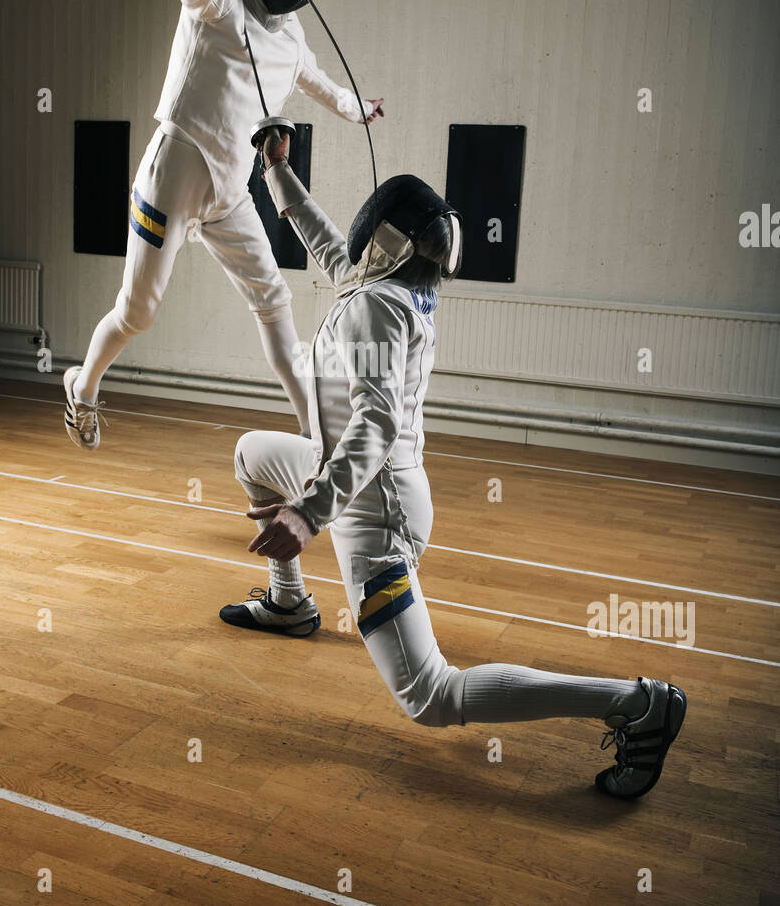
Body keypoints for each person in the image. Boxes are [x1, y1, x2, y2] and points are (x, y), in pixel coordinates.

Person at [218, 128, 687, 800]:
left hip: (373, 516)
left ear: (382, 238)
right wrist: (277, 174)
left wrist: (308, 514)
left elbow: (375, 422)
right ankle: (289, 604)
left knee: (428, 694)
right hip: (342, 471)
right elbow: (326, 246)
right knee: (252, 454)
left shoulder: (376, 308)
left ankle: (638, 703)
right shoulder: (380, 284)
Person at [62, 0, 384, 448]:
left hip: (231, 192)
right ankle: (83, 387)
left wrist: (359, 110)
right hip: (173, 175)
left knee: (273, 300)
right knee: (138, 311)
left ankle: (314, 436)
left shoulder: (292, 37)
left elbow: (319, 84)